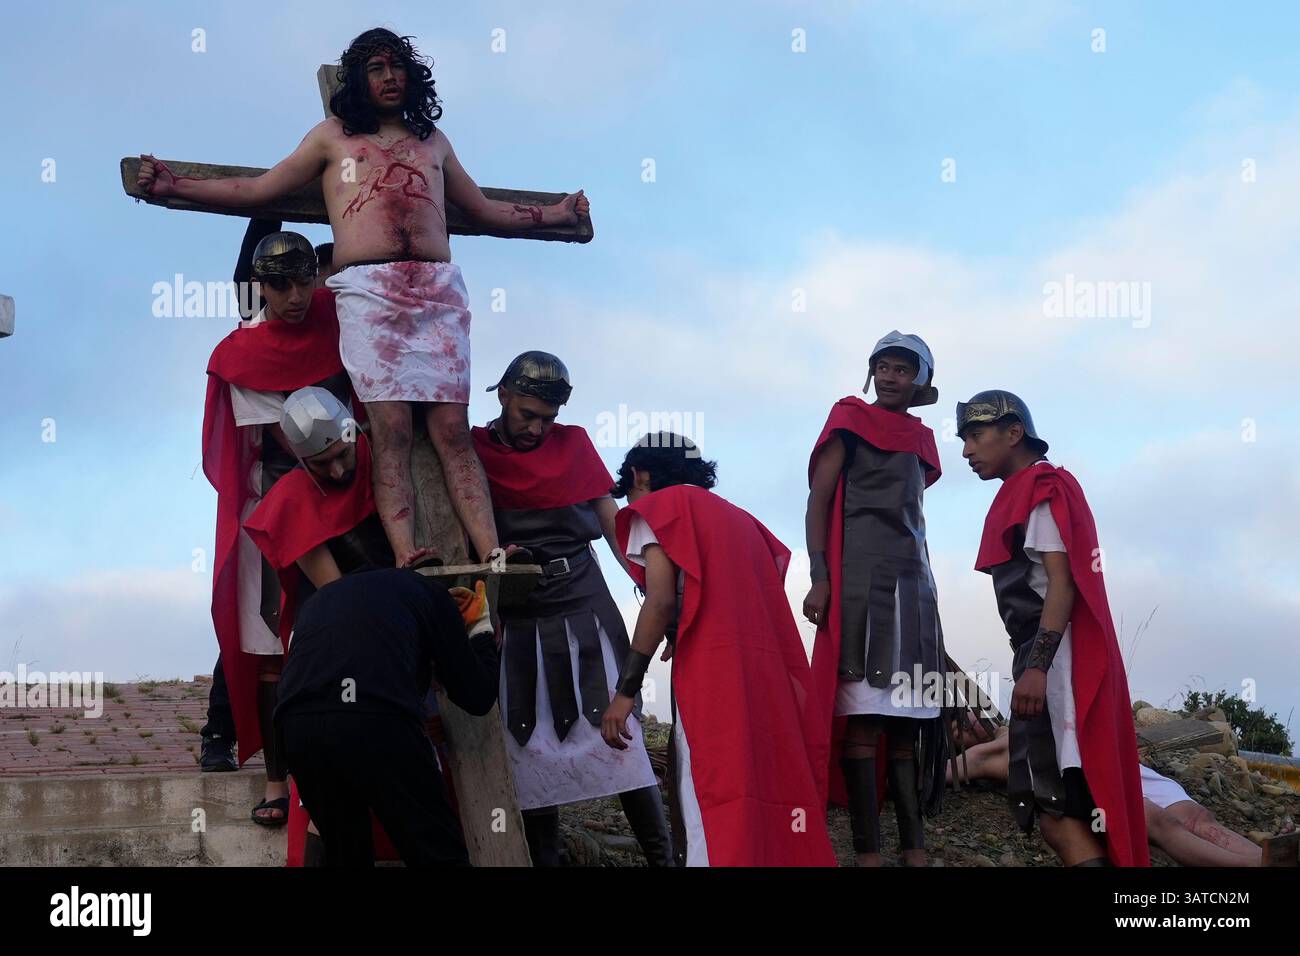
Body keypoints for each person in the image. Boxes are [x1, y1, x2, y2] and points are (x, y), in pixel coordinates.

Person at [137, 27, 591, 570]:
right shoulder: (331, 138)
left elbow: (486, 209)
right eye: (376, 68)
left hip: (437, 292)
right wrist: (173, 184)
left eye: (397, 67)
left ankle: (493, 553)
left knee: (451, 431)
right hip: (370, 293)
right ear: (357, 79)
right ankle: (407, 554)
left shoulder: (433, 142)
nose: (389, 77)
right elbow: (261, 189)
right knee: (391, 427)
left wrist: (561, 214)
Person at [472, 352, 671, 866]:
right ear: (504, 395)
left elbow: (614, 528)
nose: (538, 429)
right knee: (529, 740)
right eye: (528, 415)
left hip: (584, 601)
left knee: (619, 739)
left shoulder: (575, 444)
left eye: (548, 419)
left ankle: (664, 861)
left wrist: (655, 595)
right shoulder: (471, 451)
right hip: (516, 614)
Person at [600, 434, 836, 867]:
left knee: (708, 791)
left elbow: (660, 598)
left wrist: (625, 692)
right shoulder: (740, 518)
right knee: (763, 783)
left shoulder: (657, 508)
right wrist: (684, 628)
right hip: (767, 669)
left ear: (639, 474)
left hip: (712, 673)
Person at [958, 390, 1148, 866]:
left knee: (1057, 809)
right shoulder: (1028, 490)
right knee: (1065, 809)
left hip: (1057, 665)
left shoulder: (1041, 488)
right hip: (1046, 657)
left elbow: (1061, 587)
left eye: (976, 436)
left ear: (1014, 432)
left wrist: (1037, 669)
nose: (966, 451)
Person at [202, 231, 353, 826]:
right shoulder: (242, 352)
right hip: (278, 503)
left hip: (351, 492)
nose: (295, 296)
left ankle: (348, 766)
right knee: (270, 647)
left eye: (303, 281)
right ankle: (275, 778)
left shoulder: (345, 322)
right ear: (259, 286)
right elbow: (284, 442)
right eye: (280, 284)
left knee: (350, 634)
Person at [803, 331, 947, 867]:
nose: (890, 376)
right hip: (858, 581)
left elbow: (910, 519)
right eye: (882, 367)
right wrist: (820, 576)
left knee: (907, 724)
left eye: (902, 370)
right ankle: (868, 853)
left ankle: (914, 849)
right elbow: (820, 499)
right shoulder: (847, 417)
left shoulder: (923, 438)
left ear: (920, 381)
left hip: (915, 585)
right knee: (864, 717)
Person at [275, 567, 499, 866]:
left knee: (344, 852)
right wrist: (480, 629)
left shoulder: (325, 598)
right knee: (438, 853)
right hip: (376, 719)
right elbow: (477, 696)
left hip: (297, 723)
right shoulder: (433, 597)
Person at [947, 729, 1264, 866]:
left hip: (1117, 762)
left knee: (1199, 819)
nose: (971, 722)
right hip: (1091, 779)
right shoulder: (1000, 750)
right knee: (1166, 824)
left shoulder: (1018, 717)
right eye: (958, 727)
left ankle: (1271, 857)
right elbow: (964, 766)